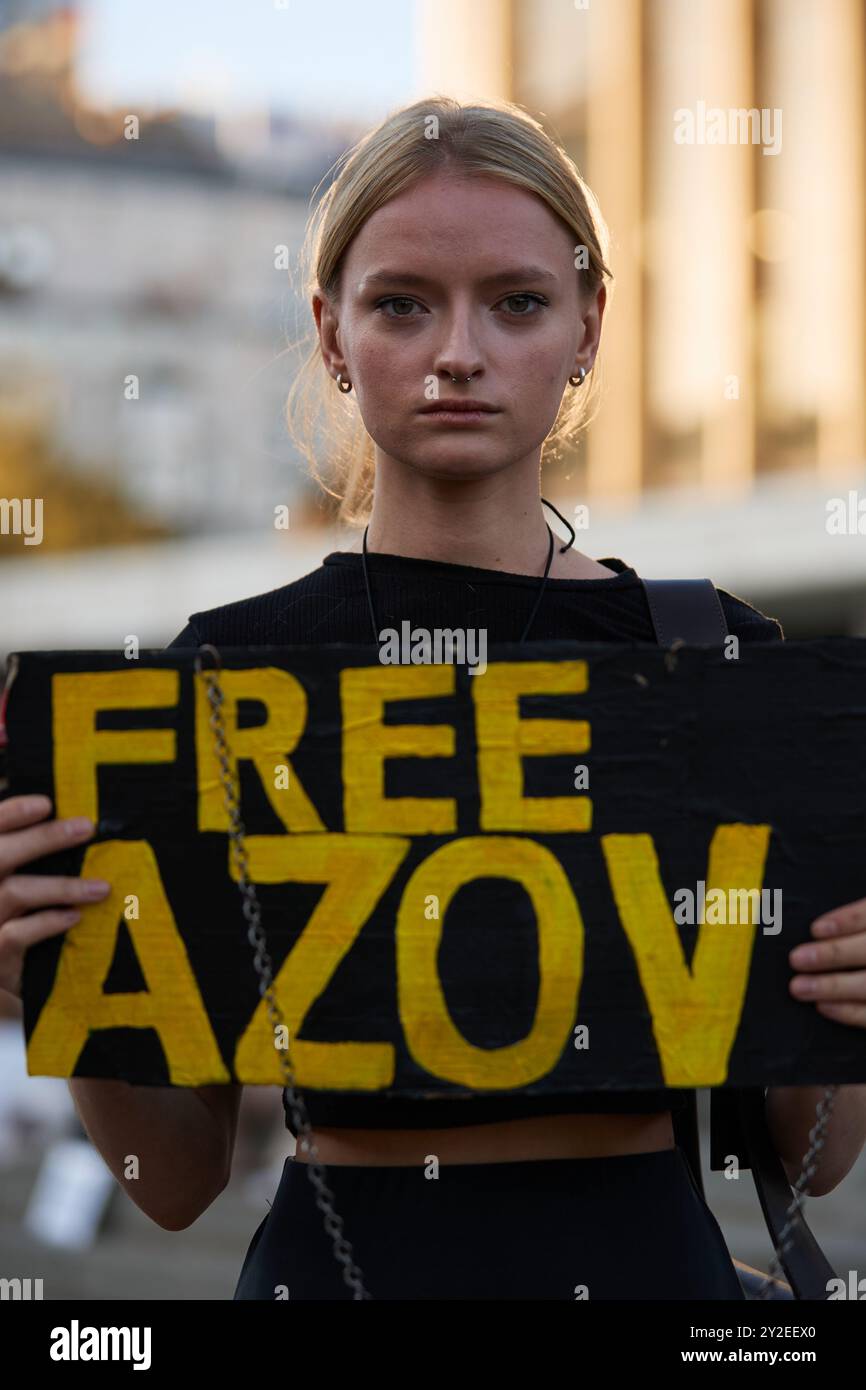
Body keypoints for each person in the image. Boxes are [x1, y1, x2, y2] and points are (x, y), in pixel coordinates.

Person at [2, 96, 865, 1301]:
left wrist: (847, 1000)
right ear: (332, 333)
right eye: (402, 302)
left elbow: (806, 1158)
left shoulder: (712, 652)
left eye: (515, 302)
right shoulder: (217, 674)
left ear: (586, 327)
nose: (457, 351)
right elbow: (176, 1178)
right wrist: (56, 970)